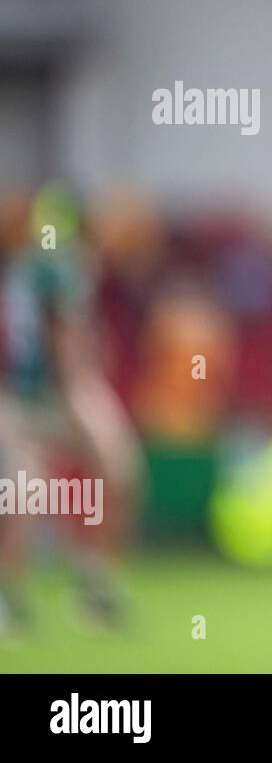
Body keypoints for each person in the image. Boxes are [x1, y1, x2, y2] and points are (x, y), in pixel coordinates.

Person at [0, 184, 144, 636]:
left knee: (23, 495)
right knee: (117, 474)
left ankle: (19, 599)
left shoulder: (24, 264)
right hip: (54, 393)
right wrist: (76, 395)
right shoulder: (61, 264)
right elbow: (63, 334)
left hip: (20, 395)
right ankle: (94, 586)